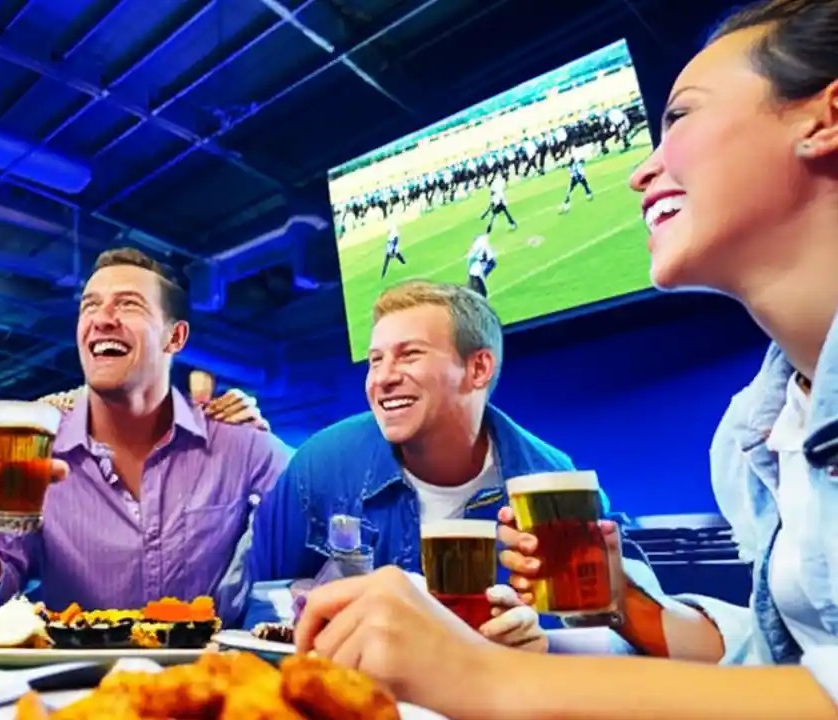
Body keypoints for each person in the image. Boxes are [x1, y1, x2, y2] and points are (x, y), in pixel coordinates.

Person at [295, 2, 838, 715]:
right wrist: (624, 604)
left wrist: (485, 677)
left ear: (824, 121)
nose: (641, 172)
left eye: (677, 118)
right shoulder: (756, 436)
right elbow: (774, 660)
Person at [232, 281, 642, 650]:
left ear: (478, 368)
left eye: (409, 355)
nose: (383, 378)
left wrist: (541, 647)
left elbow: (613, 637)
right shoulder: (321, 464)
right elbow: (263, 603)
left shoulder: (554, 485)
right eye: (375, 360)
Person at [0, 248, 292, 627]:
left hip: (206, 681)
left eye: (128, 304)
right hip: (77, 684)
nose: (102, 319)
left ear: (175, 337)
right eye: (89, 306)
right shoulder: (37, 457)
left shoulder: (242, 445)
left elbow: (319, 529)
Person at [559, 146, 595, 213]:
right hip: (575, 178)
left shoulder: (576, 163)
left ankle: (588, 194)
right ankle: (567, 202)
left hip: (579, 176)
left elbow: (580, 166)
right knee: (571, 190)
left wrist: (580, 175)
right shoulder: (571, 165)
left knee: (584, 185)